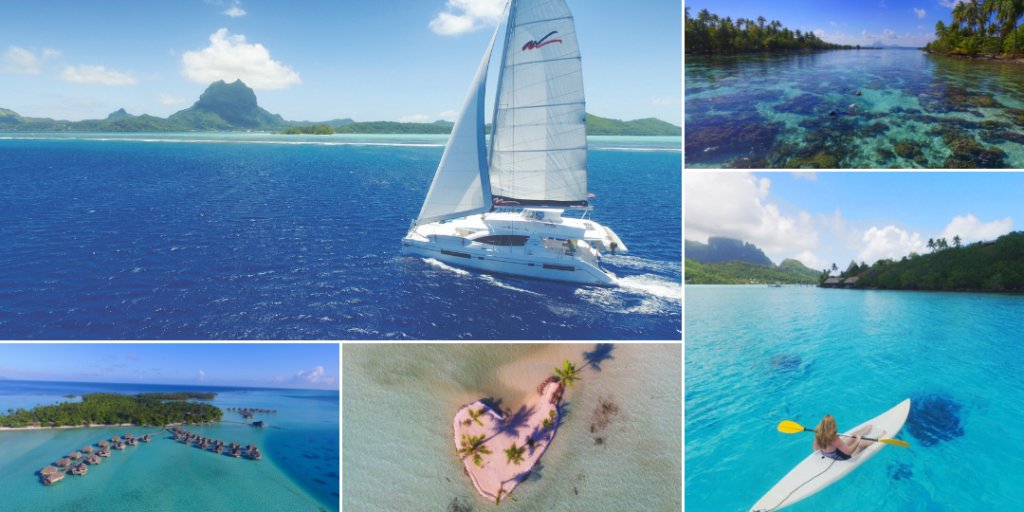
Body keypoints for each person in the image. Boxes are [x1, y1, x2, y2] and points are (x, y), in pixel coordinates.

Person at [813, 415, 884, 461]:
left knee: (852, 436)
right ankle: (881, 437)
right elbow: (849, 452)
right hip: (842, 457)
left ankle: (865, 431)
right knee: (862, 443)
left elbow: (815, 449)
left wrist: (825, 448)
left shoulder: (817, 435)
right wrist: (858, 440)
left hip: (832, 452)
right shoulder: (835, 439)